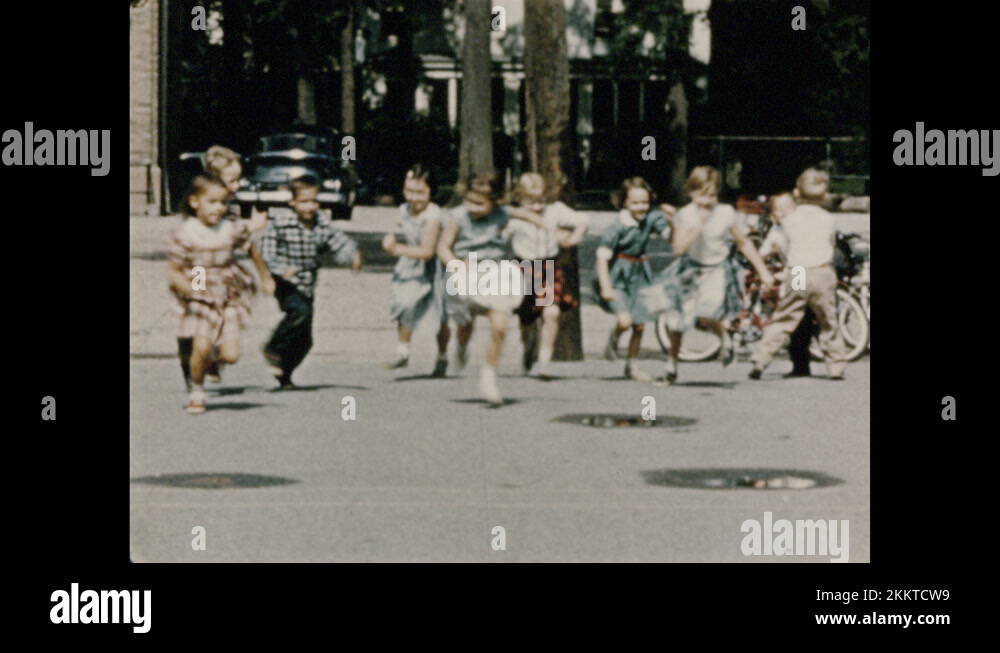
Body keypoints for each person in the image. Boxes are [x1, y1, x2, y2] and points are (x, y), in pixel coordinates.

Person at [642, 166, 774, 384]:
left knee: (708, 312)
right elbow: (678, 249)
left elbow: (743, 242)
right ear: (691, 193)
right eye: (701, 195)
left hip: (716, 269)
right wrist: (695, 227)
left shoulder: (725, 213)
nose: (707, 201)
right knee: (676, 321)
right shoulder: (685, 215)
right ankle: (671, 365)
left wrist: (763, 271)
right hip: (690, 268)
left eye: (712, 195)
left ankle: (724, 338)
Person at [436, 171, 550, 404]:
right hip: (467, 270)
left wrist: (545, 226)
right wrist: (455, 265)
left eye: (479, 203)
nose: (472, 207)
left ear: (495, 201)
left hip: (497, 271)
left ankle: (489, 376)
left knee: (500, 325)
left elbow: (526, 215)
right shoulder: (458, 217)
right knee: (466, 324)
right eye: (469, 200)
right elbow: (443, 247)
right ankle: (461, 346)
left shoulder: (503, 213)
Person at [167, 174, 274, 414]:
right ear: (195, 202)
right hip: (199, 282)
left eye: (223, 203)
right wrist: (192, 289)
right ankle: (197, 389)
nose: (219, 208)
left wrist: (265, 277)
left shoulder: (230, 229)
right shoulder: (186, 232)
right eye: (212, 202)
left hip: (228, 290)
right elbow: (175, 271)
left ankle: (213, 360)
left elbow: (251, 249)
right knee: (201, 346)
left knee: (232, 354)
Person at [260, 176, 362, 389]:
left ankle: (284, 374)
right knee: (299, 312)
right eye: (304, 201)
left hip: (307, 284)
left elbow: (338, 241)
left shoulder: (321, 224)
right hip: (286, 283)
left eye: (314, 201)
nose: (310, 206)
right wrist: (280, 269)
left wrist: (351, 255)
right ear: (293, 203)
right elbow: (267, 252)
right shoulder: (281, 224)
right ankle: (273, 347)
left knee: (305, 340)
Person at [749, 168, 848, 380]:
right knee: (828, 320)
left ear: (796, 193)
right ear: (824, 195)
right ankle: (836, 365)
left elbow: (785, 243)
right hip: (822, 270)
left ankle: (761, 358)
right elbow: (830, 243)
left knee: (785, 317)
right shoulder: (829, 219)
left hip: (799, 271)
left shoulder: (789, 220)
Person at [508, 173, 588, 378]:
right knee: (526, 318)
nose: (536, 207)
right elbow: (498, 233)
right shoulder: (514, 217)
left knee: (551, 313)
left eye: (540, 200)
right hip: (523, 268)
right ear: (520, 198)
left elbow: (582, 220)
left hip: (547, 267)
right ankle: (528, 349)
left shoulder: (555, 211)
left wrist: (574, 237)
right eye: (530, 202)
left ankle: (544, 361)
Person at [594, 177, 672, 381]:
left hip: (640, 274)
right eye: (636, 203)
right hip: (618, 275)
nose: (641, 207)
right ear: (625, 203)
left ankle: (632, 365)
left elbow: (669, 235)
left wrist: (673, 219)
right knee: (625, 320)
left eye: (645, 202)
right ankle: (614, 339)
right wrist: (605, 287)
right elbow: (602, 258)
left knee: (639, 325)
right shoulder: (618, 226)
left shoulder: (651, 219)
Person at [382, 164, 451, 377]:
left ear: (431, 192)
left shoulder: (432, 216)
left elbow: (427, 251)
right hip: (411, 264)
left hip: (436, 266)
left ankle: (442, 356)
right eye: (408, 191)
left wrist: (396, 249)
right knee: (404, 303)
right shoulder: (404, 210)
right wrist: (393, 238)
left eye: (420, 192)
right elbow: (403, 231)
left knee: (440, 314)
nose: (413, 197)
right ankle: (402, 352)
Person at [758, 192, 817, 377]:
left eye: (785, 209)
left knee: (796, 314)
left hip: (801, 270)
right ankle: (801, 361)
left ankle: (794, 363)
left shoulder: (797, 227)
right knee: (800, 316)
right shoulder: (777, 231)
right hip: (799, 270)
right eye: (778, 210)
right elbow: (763, 252)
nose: (780, 214)